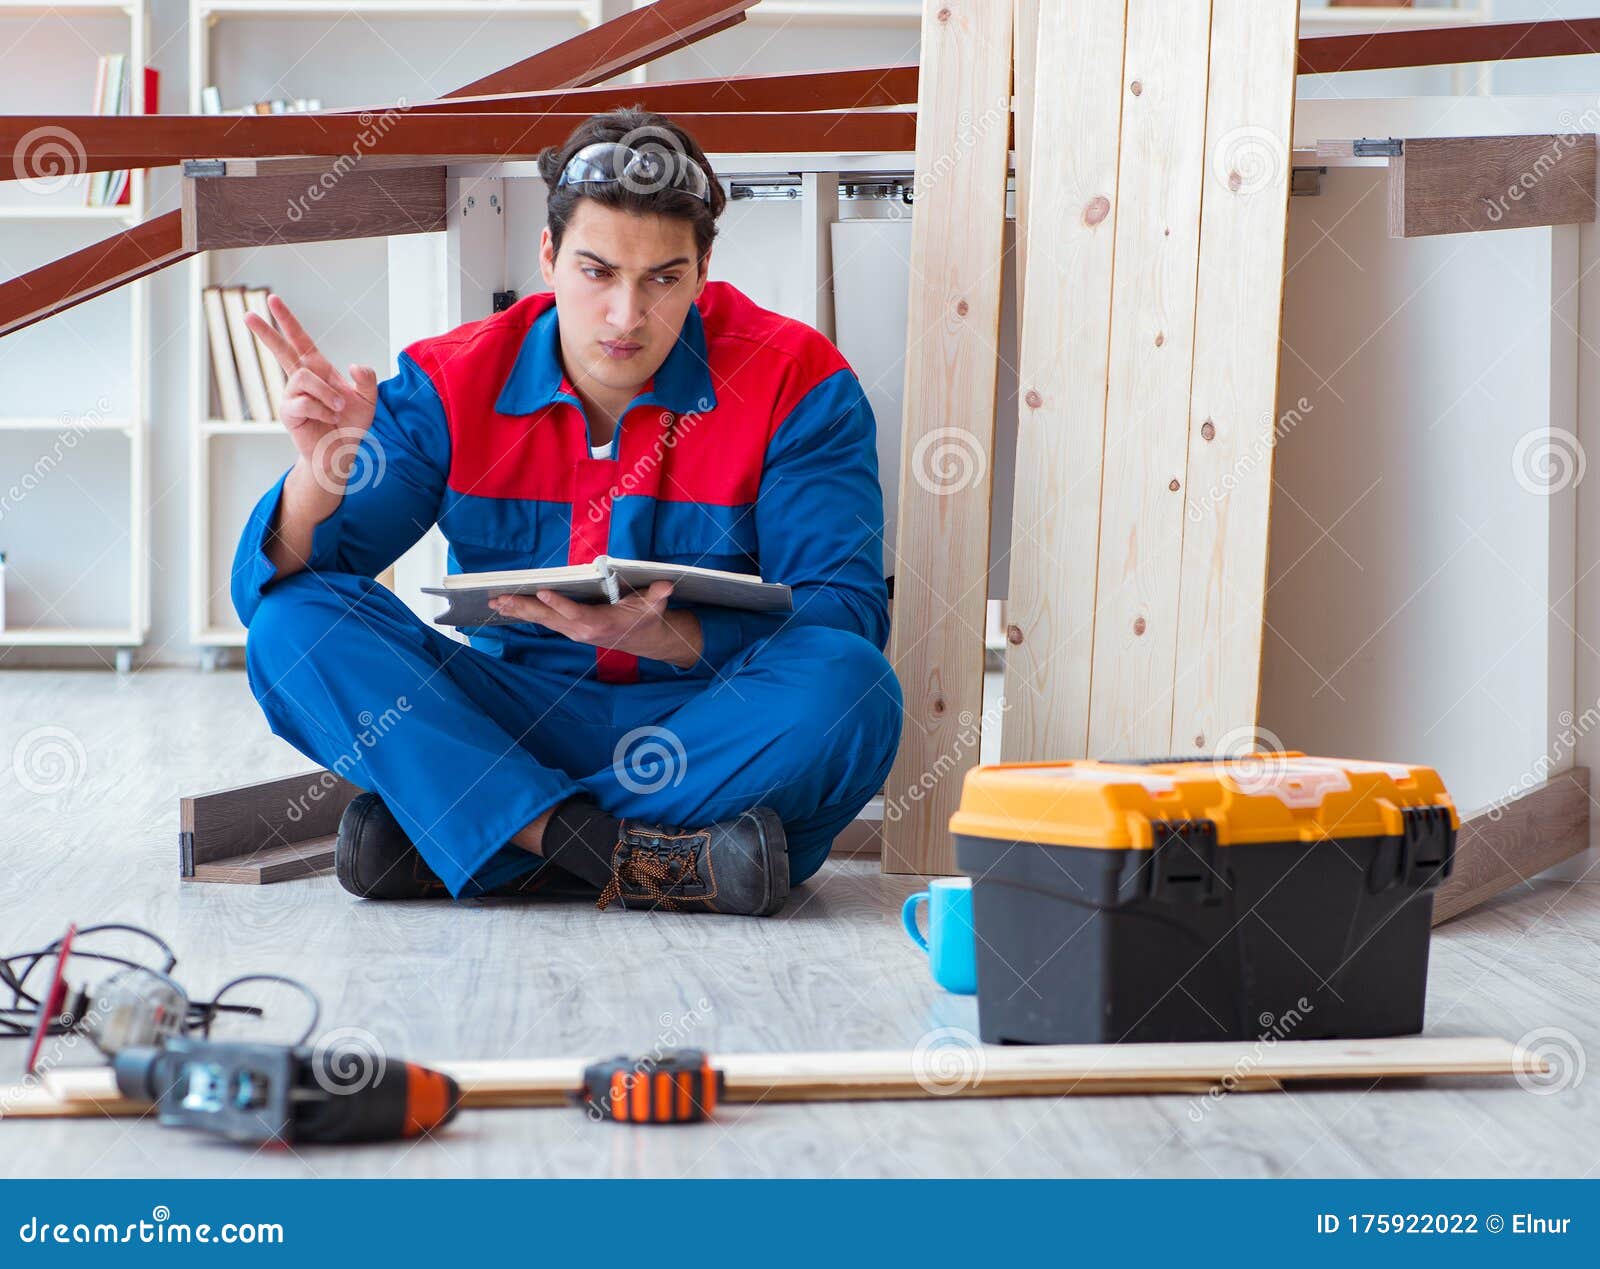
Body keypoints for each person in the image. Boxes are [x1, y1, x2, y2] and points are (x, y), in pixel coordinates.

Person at [232, 107, 902, 917]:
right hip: (511, 716)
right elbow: (281, 592)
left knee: (854, 689)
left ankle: (483, 833)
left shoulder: (798, 379)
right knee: (291, 631)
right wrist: (320, 474)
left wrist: (673, 636)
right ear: (547, 256)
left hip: (705, 721)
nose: (628, 316)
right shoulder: (455, 379)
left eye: (663, 277)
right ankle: (641, 858)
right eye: (597, 272)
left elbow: (846, 612)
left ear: (703, 267)